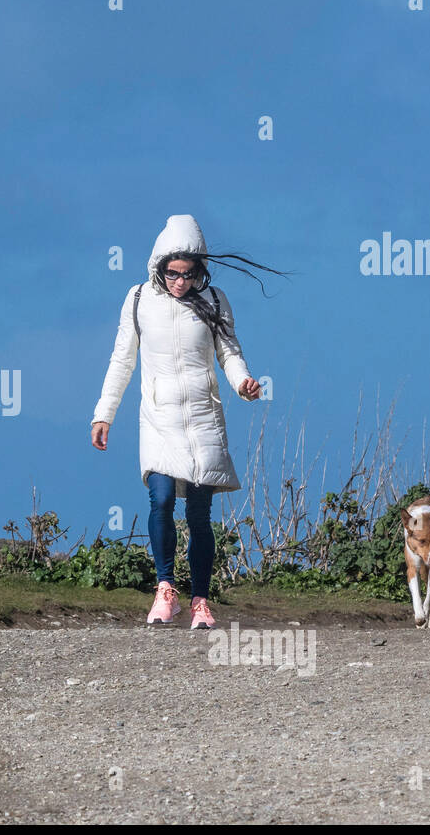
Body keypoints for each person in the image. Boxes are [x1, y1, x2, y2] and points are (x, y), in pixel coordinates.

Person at [90, 214, 286, 629]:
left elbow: (230, 354)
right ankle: (165, 590)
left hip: (202, 420)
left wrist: (244, 383)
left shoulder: (214, 300)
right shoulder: (140, 299)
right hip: (158, 417)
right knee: (159, 499)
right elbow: (122, 360)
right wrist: (104, 414)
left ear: (200, 270)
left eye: (189, 274)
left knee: (199, 514)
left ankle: (200, 600)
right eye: (172, 273)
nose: (180, 282)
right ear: (159, 267)